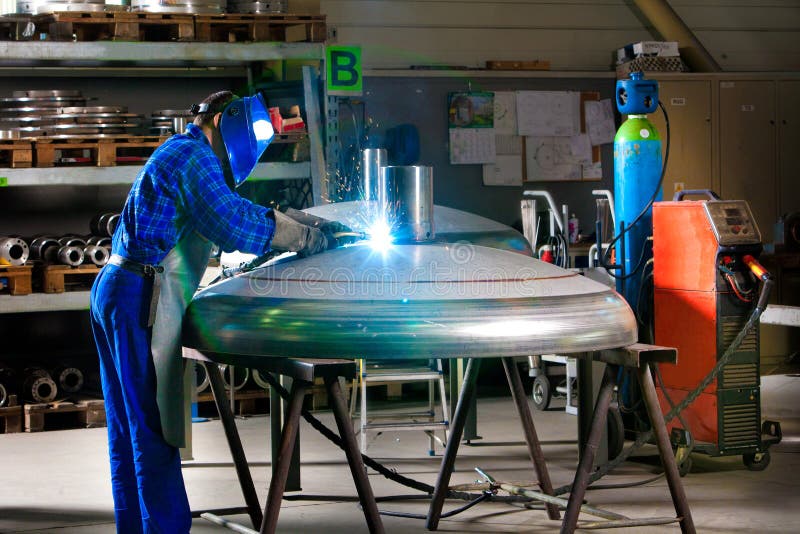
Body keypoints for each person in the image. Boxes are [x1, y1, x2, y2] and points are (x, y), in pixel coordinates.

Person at [90, 90, 342, 534]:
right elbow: (230, 222)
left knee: (129, 426)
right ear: (225, 120)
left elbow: (229, 215)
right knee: (154, 427)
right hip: (137, 297)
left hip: (117, 289)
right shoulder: (194, 156)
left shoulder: (183, 152)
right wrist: (305, 239)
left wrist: (302, 222)